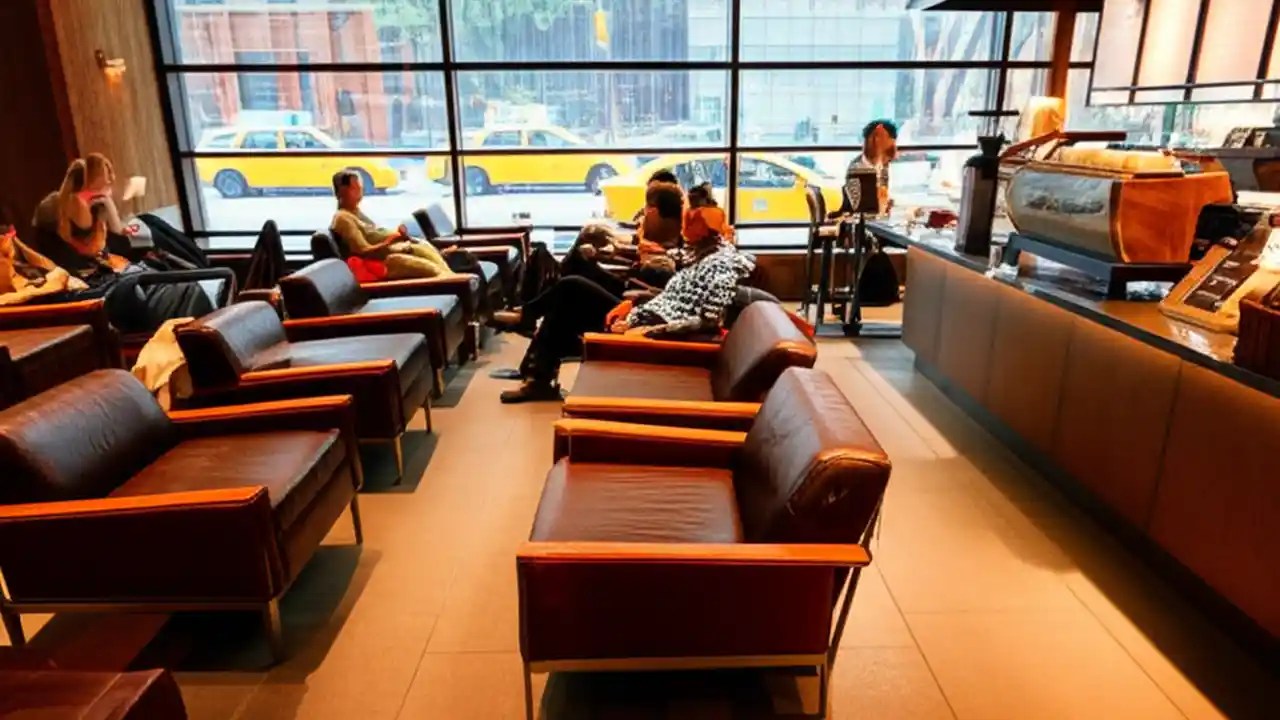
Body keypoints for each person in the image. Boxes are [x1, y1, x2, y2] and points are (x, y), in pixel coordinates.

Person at [500, 183, 754, 404]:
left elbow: (699, 314)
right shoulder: (702, 251)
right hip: (647, 302)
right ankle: (536, 363)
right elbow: (675, 291)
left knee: (571, 286)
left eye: (690, 214)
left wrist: (642, 316)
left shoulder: (716, 262)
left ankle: (531, 329)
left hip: (647, 314)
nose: (684, 219)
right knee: (570, 291)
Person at [330, 168, 456, 279]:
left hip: (395, 249)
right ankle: (455, 281)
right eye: (355, 188)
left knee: (423, 246)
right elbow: (362, 251)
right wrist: (390, 240)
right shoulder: (343, 218)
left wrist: (397, 237)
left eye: (360, 187)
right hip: (385, 260)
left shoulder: (356, 212)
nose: (360, 192)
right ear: (341, 191)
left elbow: (376, 234)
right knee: (434, 268)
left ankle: (448, 268)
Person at [835, 119, 898, 217]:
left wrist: (886, 203)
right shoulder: (857, 168)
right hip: (859, 223)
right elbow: (857, 207)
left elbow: (882, 196)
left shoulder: (882, 166)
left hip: (876, 221)